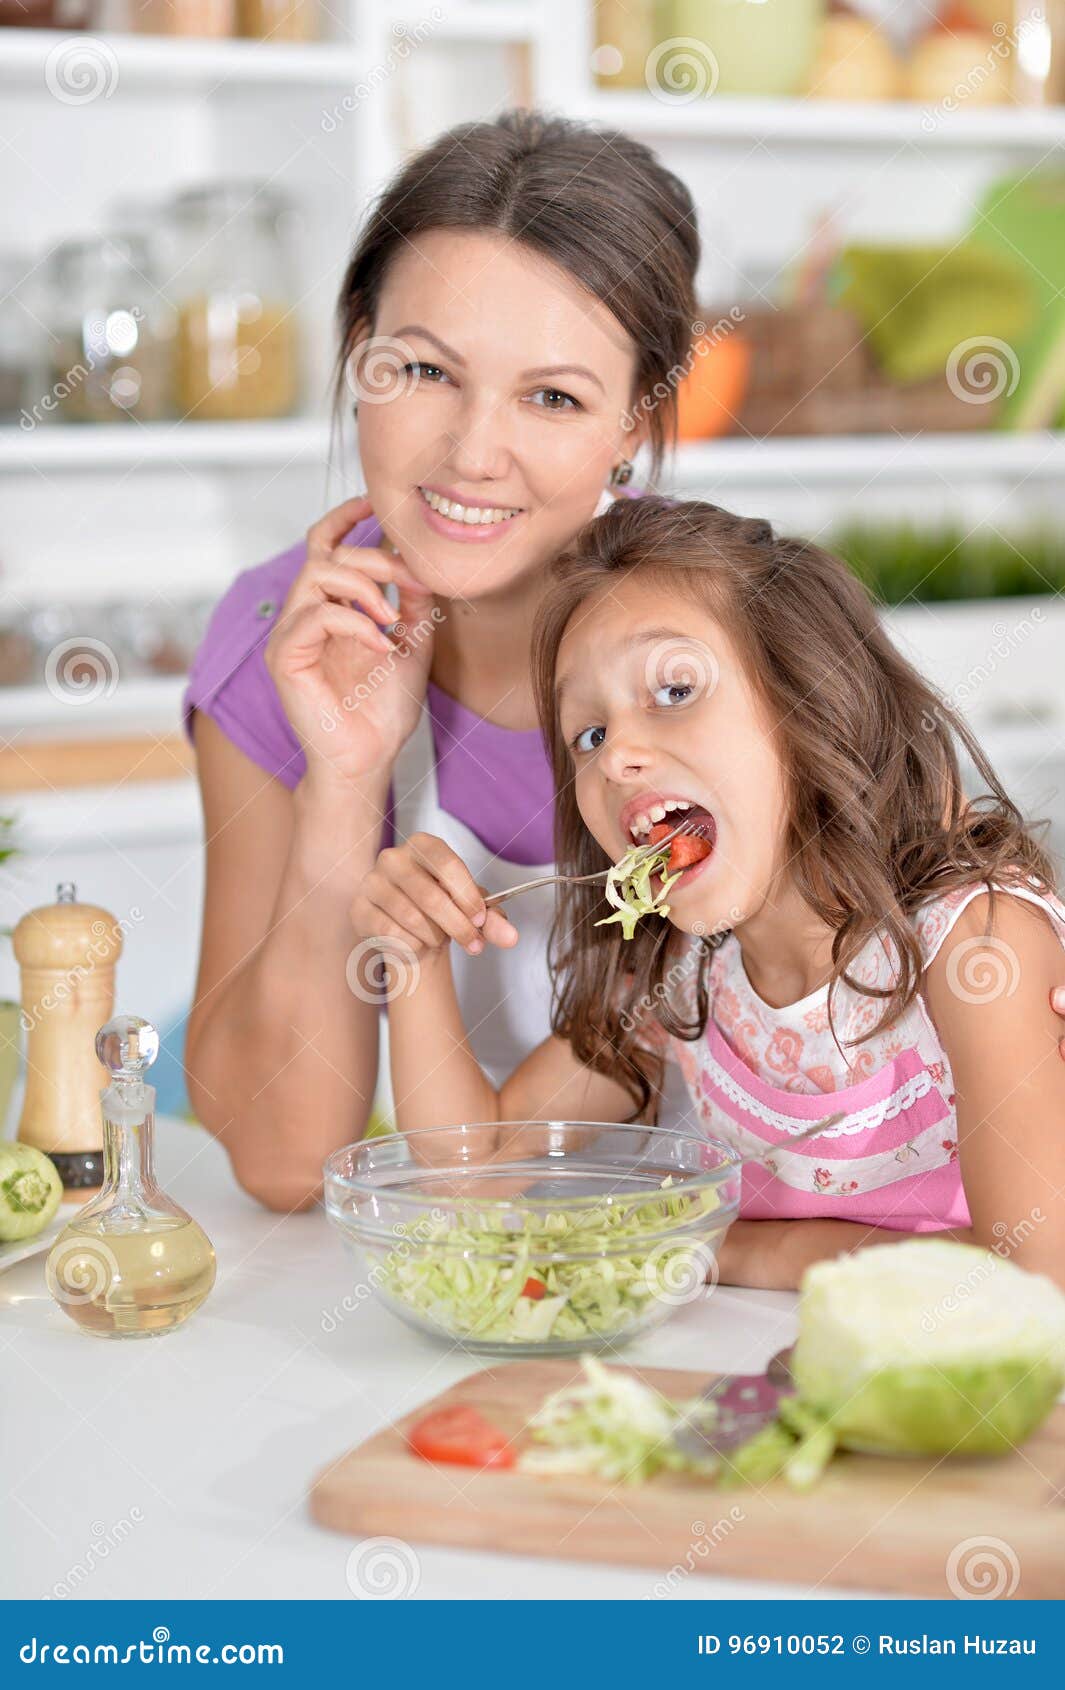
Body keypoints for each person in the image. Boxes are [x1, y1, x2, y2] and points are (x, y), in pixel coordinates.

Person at [181, 110, 701, 1209]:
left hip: (708, 1255)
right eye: (423, 370)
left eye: (553, 396)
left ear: (634, 421)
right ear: (358, 352)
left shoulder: (716, 643)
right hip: (425, 1268)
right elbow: (283, 1160)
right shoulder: (279, 640)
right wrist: (346, 778)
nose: (473, 454)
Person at [368, 498, 1065, 1290]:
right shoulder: (684, 980)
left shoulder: (975, 942)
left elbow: (1036, 1272)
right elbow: (476, 1171)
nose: (617, 755)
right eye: (586, 735)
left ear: (810, 700)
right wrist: (415, 951)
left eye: (673, 690)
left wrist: (741, 1251)